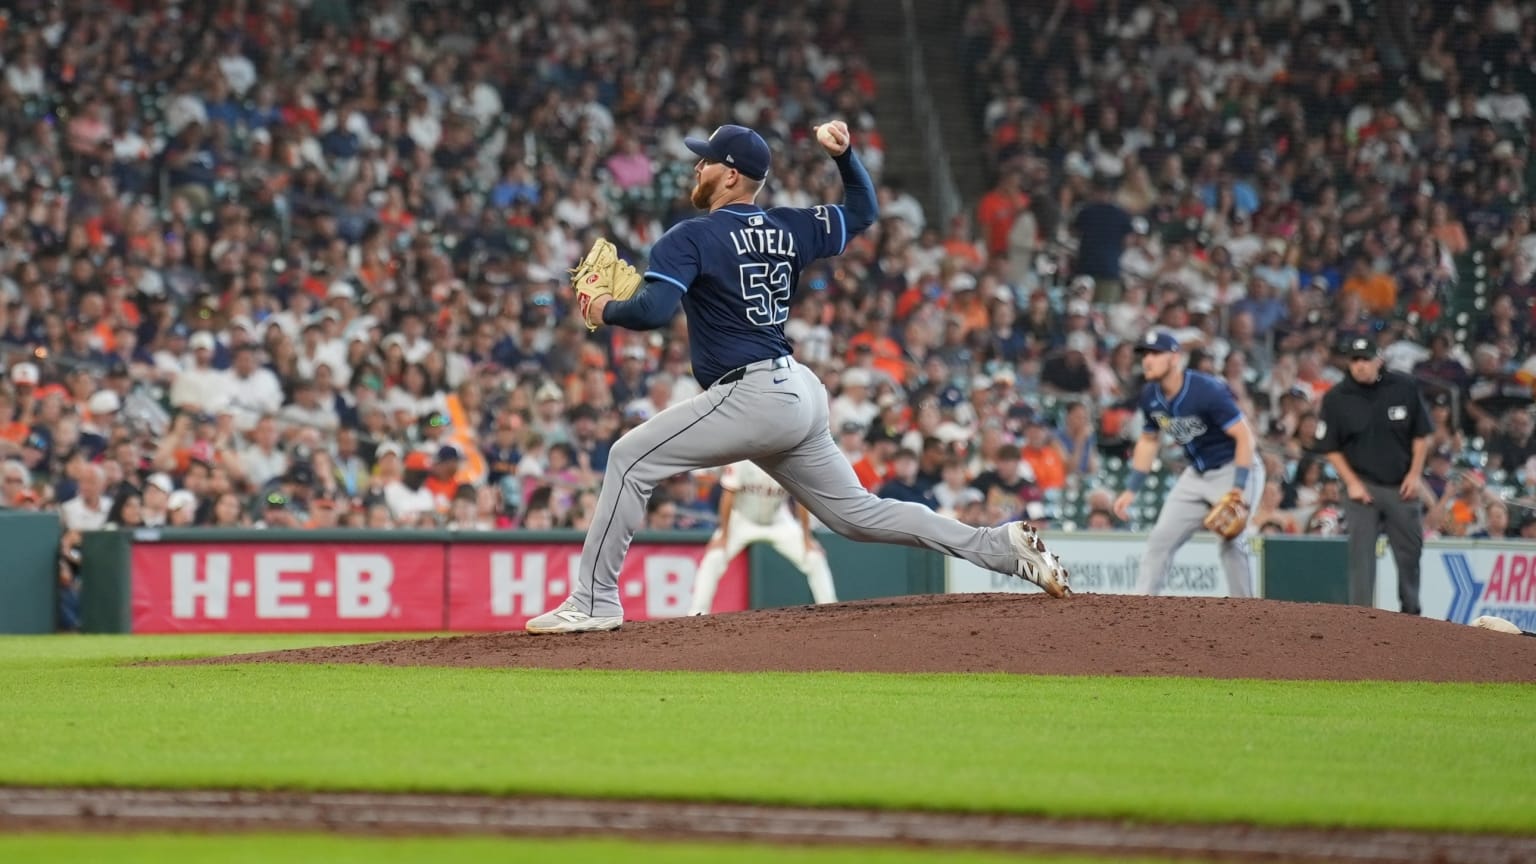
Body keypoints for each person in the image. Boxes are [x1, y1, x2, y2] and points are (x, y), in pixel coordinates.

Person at [525, 122, 1068, 634]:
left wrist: (603, 309)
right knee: (858, 515)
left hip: (753, 393)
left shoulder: (688, 237)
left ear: (730, 175)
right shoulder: (790, 225)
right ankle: (998, 546)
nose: (697, 169)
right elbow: (863, 212)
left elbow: (651, 312)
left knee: (627, 458)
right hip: (798, 391)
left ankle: (593, 601)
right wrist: (845, 157)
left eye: (705, 161)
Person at [1112, 330, 1264, 597]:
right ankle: (1138, 608)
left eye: (1155, 354)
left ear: (1174, 358)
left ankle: (1247, 614)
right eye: (1145, 354)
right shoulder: (1150, 395)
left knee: (1232, 540)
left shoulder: (1207, 390)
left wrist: (1238, 488)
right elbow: (1148, 441)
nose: (1147, 360)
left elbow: (1245, 437)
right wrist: (1131, 489)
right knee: (1160, 540)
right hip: (1196, 475)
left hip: (1235, 467)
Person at [1315, 334, 1432, 615]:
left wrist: (1415, 475)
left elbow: (1421, 435)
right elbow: (1329, 447)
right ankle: (1361, 617)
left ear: (1378, 359)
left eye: (1366, 359)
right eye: (1355, 360)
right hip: (1361, 488)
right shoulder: (1336, 397)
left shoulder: (1403, 386)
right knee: (1361, 555)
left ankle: (1411, 613)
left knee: (1410, 554)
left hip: (1400, 485)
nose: (1360, 366)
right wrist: (1352, 483)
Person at [688, 460, 837, 615]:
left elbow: (802, 500)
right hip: (741, 520)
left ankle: (830, 611)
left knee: (814, 557)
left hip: (778, 520)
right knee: (714, 557)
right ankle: (696, 614)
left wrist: (807, 538)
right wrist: (724, 535)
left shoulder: (789, 460)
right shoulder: (743, 459)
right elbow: (727, 496)